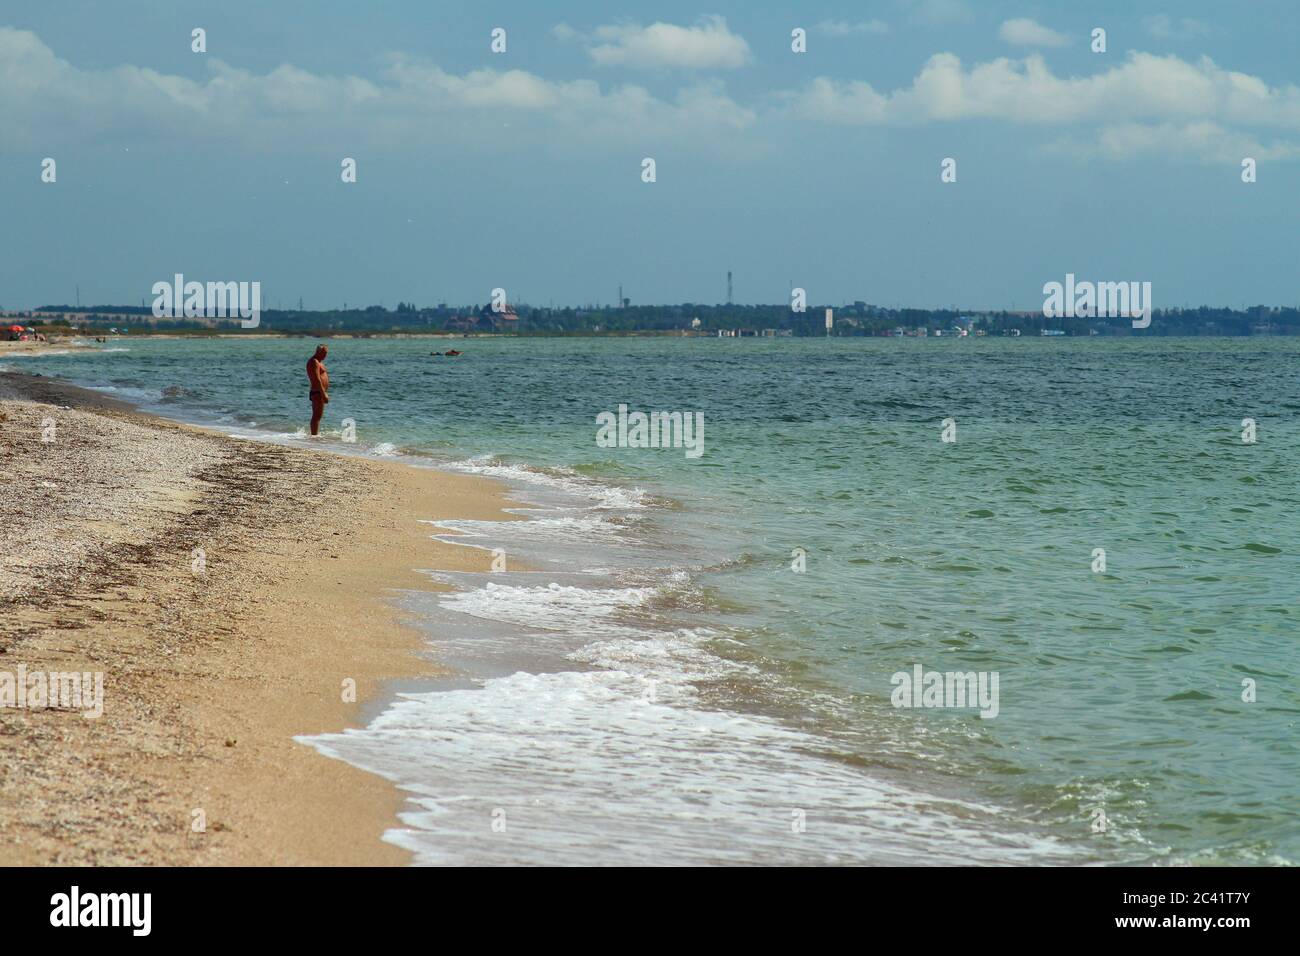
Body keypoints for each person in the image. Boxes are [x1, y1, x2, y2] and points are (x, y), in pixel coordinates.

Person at [306, 345, 330, 435]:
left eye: (326, 353)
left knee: (317, 416)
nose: (325, 355)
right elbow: (317, 379)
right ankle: (314, 437)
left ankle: (314, 435)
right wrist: (323, 393)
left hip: (319, 392)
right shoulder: (314, 362)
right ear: (318, 352)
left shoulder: (319, 362)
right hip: (318, 392)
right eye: (324, 353)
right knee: (316, 417)